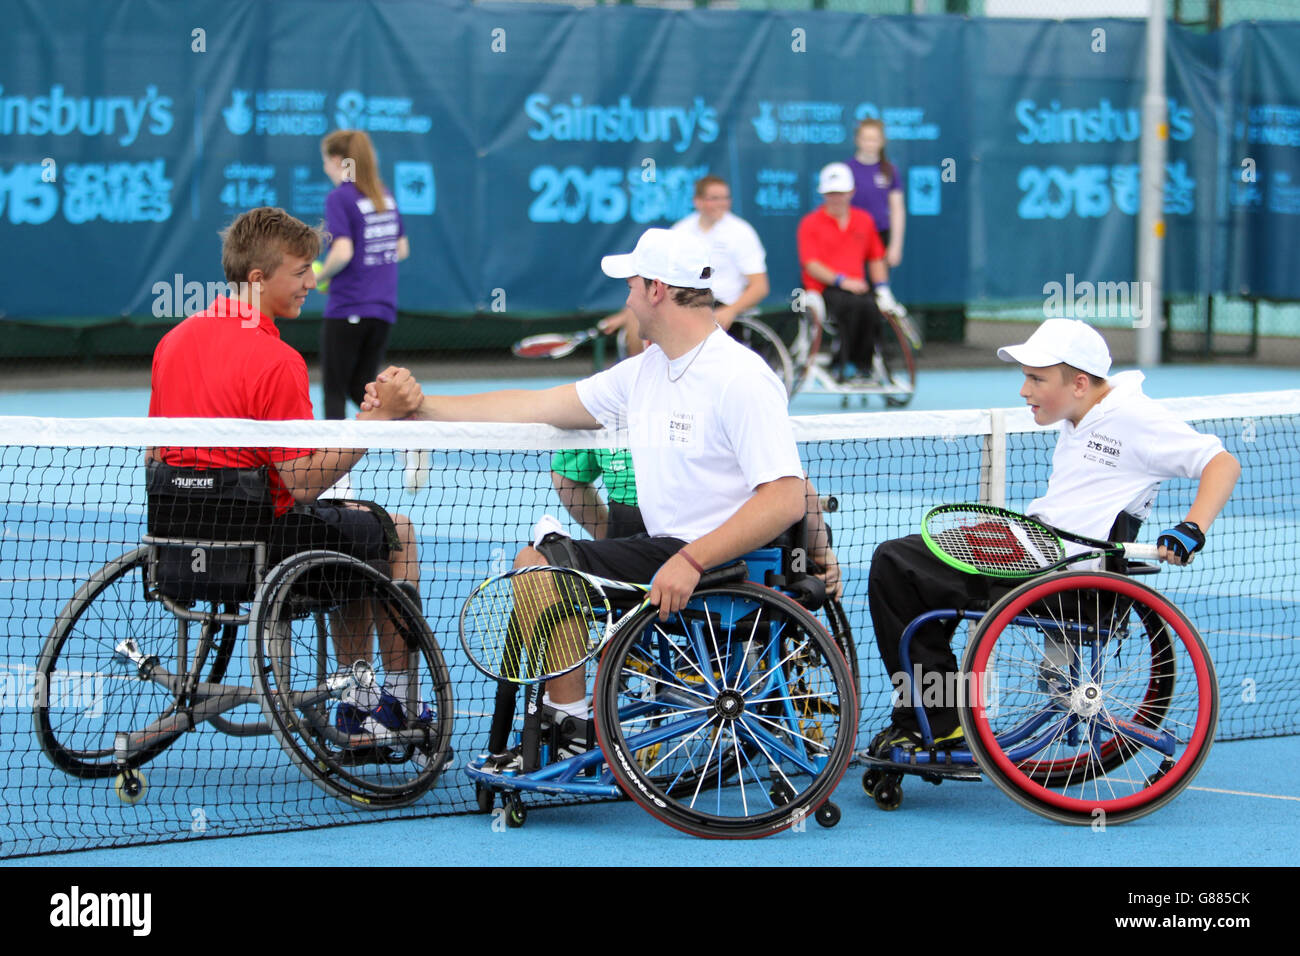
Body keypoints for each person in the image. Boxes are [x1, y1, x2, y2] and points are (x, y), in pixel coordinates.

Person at [364, 227, 807, 759]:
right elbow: (535, 405)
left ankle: (574, 727)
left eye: (631, 285)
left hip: (709, 560)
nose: (626, 297)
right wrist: (422, 405)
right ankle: (572, 720)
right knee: (542, 563)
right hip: (667, 547)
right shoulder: (647, 371)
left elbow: (785, 497)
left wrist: (693, 560)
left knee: (543, 567)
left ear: (657, 290)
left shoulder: (741, 378)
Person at [866, 319, 1241, 751]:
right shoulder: (1081, 415)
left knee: (896, 564)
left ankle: (936, 718)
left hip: (1062, 576)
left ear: (1080, 383)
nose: (1024, 391)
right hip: (1036, 550)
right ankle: (937, 716)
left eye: (1036, 379)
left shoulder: (1135, 417)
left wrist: (1192, 526)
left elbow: (1221, 462)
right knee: (902, 565)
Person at [148, 205, 431, 753]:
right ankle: (389, 705)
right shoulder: (277, 359)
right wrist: (375, 424)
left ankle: (361, 700)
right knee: (392, 532)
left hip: (179, 553)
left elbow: (156, 456)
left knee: (353, 530)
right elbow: (302, 483)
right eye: (300, 272)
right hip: (266, 555)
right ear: (258, 279)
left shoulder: (172, 343)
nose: (313, 281)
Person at [601, 175, 769, 356]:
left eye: (725, 198)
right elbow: (654, 278)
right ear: (698, 201)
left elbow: (760, 287)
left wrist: (730, 311)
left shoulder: (742, 233)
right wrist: (625, 315)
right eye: (714, 198)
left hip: (721, 306)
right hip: (682, 300)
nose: (722, 203)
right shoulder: (682, 229)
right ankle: (640, 371)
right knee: (636, 316)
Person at [316, 129, 410, 421]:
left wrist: (318, 277)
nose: (324, 168)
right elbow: (402, 248)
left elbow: (342, 251)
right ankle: (409, 434)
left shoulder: (340, 197)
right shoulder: (384, 195)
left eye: (325, 161)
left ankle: (330, 467)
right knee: (360, 387)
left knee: (334, 390)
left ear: (336, 160)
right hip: (381, 312)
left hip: (348, 307)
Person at [797, 162, 903, 380]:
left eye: (841, 193)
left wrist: (883, 288)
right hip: (823, 289)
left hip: (857, 288)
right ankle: (844, 362)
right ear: (824, 194)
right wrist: (841, 281)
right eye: (831, 193)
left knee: (870, 306)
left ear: (851, 193)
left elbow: (875, 258)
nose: (836, 198)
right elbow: (812, 265)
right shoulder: (809, 223)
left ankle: (864, 364)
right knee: (853, 305)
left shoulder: (864, 220)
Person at [848, 118, 905, 269]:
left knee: (879, 286)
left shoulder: (889, 170)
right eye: (866, 139)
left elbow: (897, 209)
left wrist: (895, 245)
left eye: (874, 139)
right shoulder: (846, 169)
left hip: (881, 234)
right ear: (857, 140)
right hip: (852, 236)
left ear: (882, 141)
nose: (870, 144)